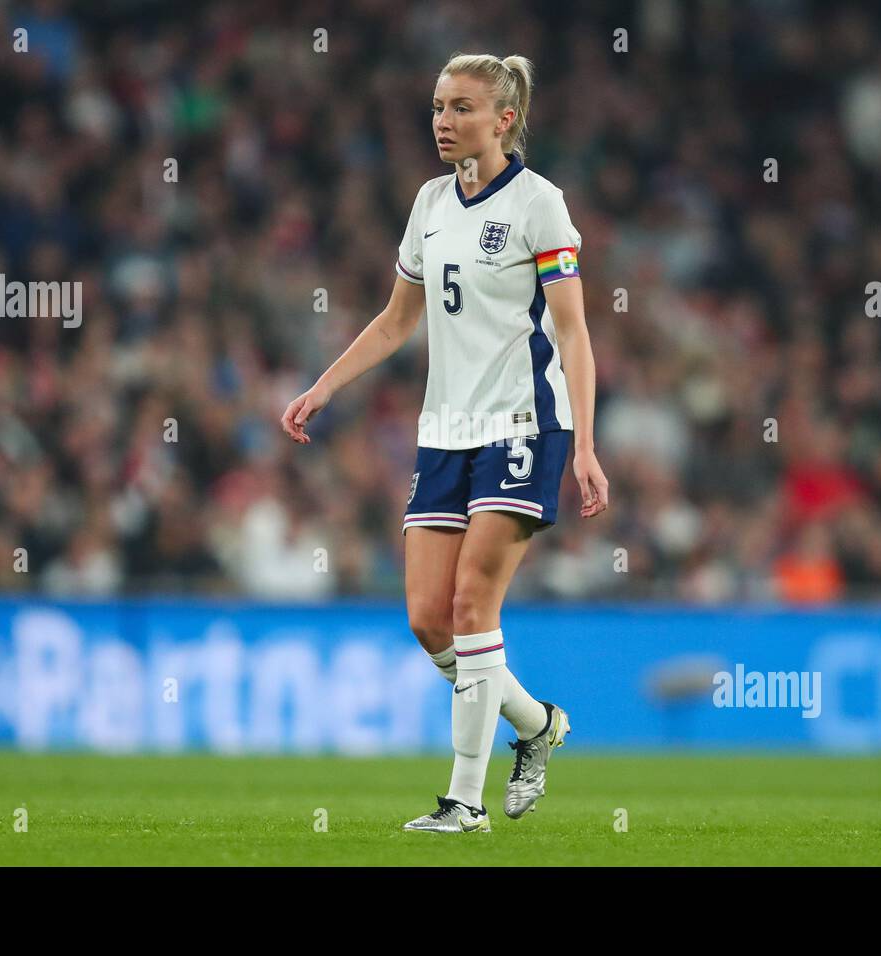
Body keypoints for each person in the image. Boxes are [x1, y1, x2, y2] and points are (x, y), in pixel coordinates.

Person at [281, 52, 609, 833]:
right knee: (429, 617)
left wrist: (587, 446)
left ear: (502, 121)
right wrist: (325, 385)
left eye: (461, 108)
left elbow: (573, 333)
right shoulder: (430, 202)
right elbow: (399, 320)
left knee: (471, 605)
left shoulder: (539, 205)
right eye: (436, 106)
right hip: (445, 432)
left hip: (525, 424)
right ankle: (536, 725)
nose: (442, 121)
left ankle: (464, 803)